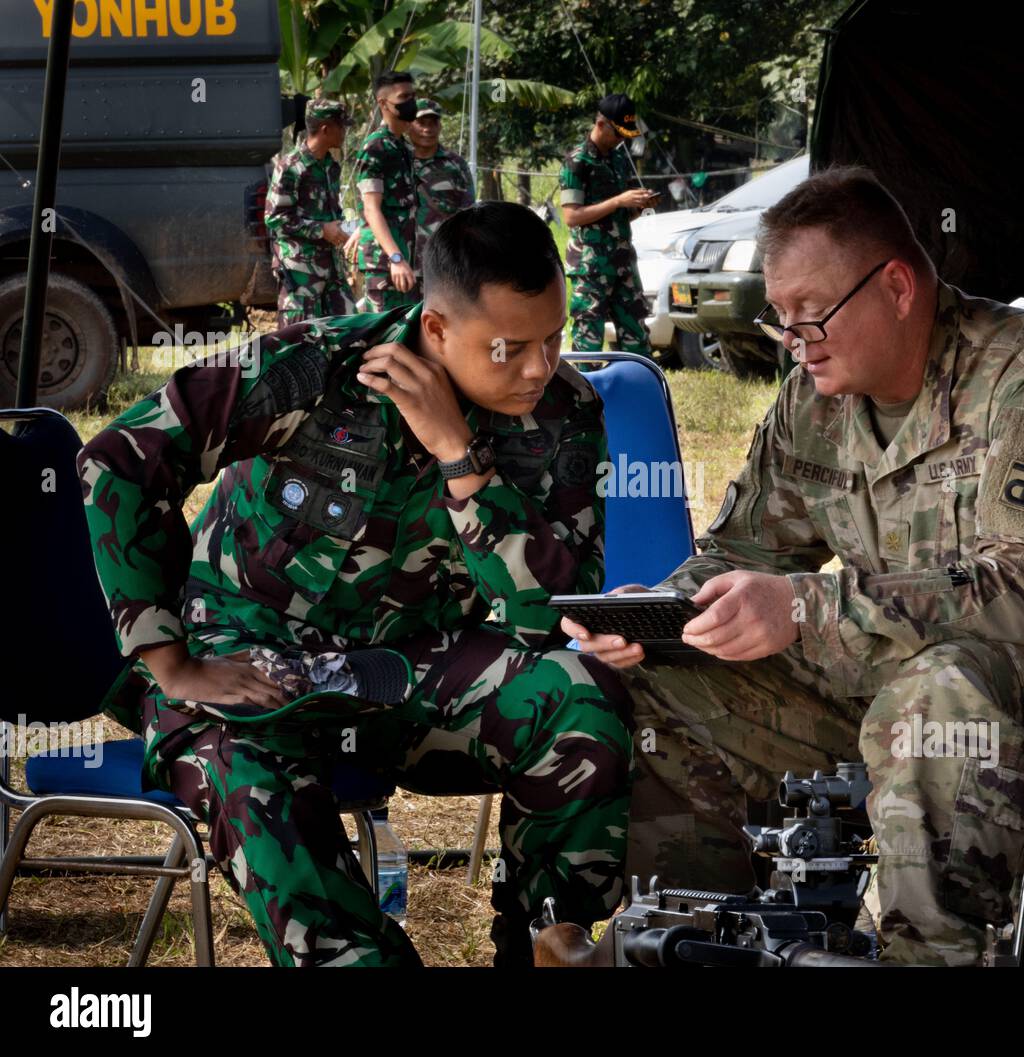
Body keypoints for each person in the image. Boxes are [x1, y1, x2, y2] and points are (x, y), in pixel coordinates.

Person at [563, 166, 1024, 966]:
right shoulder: (819, 391)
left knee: (938, 694)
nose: (797, 344)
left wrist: (802, 608)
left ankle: (935, 958)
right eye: (782, 322)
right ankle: (694, 941)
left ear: (899, 287)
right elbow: (745, 551)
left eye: (813, 317)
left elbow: (1022, 596)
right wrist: (666, 612)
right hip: (901, 681)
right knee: (669, 681)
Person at [77, 201, 633, 967]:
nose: (539, 367)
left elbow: (551, 612)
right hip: (256, 665)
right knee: (242, 767)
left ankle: (545, 943)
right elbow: (119, 459)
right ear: (435, 328)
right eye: (510, 347)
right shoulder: (317, 366)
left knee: (581, 693)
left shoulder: (565, 412)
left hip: (414, 674)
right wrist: (171, 660)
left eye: (553, 338)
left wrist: (459, 454)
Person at [559, 93, 656, 354]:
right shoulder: (577, 162)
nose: (622, 140)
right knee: (587, 342)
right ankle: (586, 393)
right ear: (601, 124)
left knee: (637, 339)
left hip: (623, 261)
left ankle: (635, 391)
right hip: (591, 265)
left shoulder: (618, 159)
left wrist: (636, 206)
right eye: (618, 133)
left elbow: (620, 214)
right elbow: (572, 217)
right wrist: (617, 201)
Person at [265, 98, 355, 327]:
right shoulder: (291, 167)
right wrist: (321, 230)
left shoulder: (330, 166)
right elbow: (275, 219)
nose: (344, 132)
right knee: (300, 339)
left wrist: (342, 230)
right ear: (326, 129)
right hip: (301, 271)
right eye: (342, 126)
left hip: (332, 266)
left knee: (349, 329)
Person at [354, 70, 420, 312]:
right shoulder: (376, 147)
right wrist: (395, 258)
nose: (411, 102)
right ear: (383, 104)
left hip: (402, 257)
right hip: (385, 262)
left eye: (412, 95)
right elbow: (371, 209)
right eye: (404, 97)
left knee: (402, 333)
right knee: (383, 336)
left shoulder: (401, 145)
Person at [408, 97, 475, 288]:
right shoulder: (397, 160)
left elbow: (468, 213)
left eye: (433, 123)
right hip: (402, 262)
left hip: (443, 261)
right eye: (421, 123)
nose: (427, 129)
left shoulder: (455, 165)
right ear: (409, 125)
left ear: (440, 126)